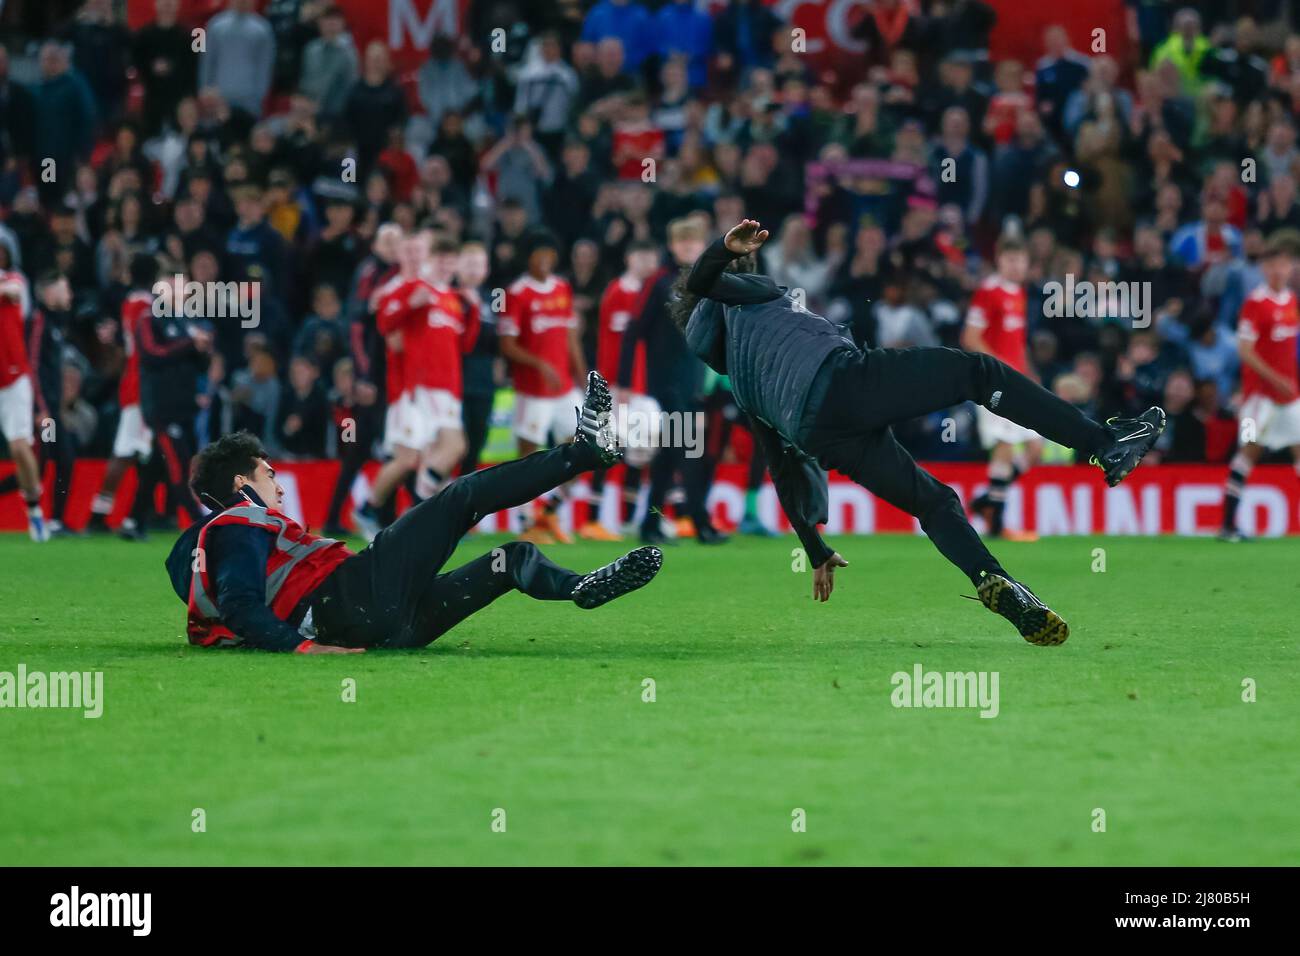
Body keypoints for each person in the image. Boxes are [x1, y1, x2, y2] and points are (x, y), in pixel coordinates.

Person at [677, 220, 1168, 645]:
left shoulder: (743, 385)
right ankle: (1104, 444)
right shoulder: (743, 299)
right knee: (979, 372)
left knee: (933, 503)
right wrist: (724, 248)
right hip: (843, 379)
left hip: (822, 436)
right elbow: (703, 280)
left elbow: (783, 471)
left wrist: (816, 550)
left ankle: (992, 579)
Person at [165, 373, 662, 652]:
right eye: (267, 474)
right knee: (461, 495)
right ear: (240, 483)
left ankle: (578, 587)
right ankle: (583, 452)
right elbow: (239, 602)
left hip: (384, 627)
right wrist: (302, 647)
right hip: (349, 598)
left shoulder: (210, 543)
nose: (277, 484)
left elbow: (212, 590)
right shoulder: (234, 525)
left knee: (509, 560)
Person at [1219, 231, 1300, 541]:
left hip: (1289, 398)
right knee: (1248, 452)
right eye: (1273, 265)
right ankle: (1227, 525)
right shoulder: (1255, 303)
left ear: (1290, 266)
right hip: (1258, 399)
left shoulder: (1290, 301)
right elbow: (1244, 351)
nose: (1279, 270)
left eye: (1284, 264)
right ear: (1265, 269)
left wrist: (1287, 382)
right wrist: (1276, 378)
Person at [961, 236, 1043, 541]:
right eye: (1010, 260)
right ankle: (997, 523)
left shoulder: (1018, 293)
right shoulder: (988, 292)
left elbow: (1016, 344)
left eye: (1020, 260)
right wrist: (999, 368)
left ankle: (988, 501)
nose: (1016, 265)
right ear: (999, 261)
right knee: (1005, 446)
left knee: (1035, 448)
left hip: (1016, 382)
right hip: (994, 384)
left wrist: (1029, 374)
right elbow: (970, 337)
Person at [0, 264, 47, 541]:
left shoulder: (13, 278)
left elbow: (15, 291)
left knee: (19, 447)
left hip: (15, 376)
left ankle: (35, 511)